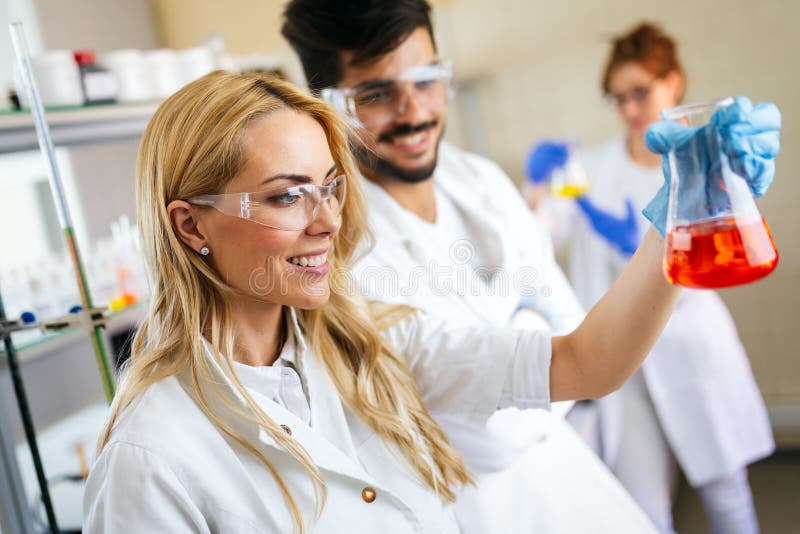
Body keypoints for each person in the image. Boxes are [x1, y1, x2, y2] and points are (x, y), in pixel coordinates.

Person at [81, 67, 777, 531]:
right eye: (286, 195)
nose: (326, 221)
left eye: (330, 186)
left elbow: (587, 361)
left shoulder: (365, 344)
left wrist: (682, 212)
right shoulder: (152, 460)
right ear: (190, 224)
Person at [281, 2, 653, 532]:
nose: (415, 112)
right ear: (326, 105)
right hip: (465, 510)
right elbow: (495, 438)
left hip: (568, 483)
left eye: (428, 80)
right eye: (378, 93)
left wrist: (535, 366)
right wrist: (534, 330)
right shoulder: (330, 247)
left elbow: (572, 332)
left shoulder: (478, 179)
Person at [526, 23, 777, 534]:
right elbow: (536, 240)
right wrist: (534, 188)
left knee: (727, 496)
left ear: (674, 82)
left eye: (640, 92)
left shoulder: (701, 164)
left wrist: (652, 246)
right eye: (617, 98)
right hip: (624, 365)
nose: (629, 109)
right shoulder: (589, 167)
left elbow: (729, 254)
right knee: (641, 510)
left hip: (692, 350)